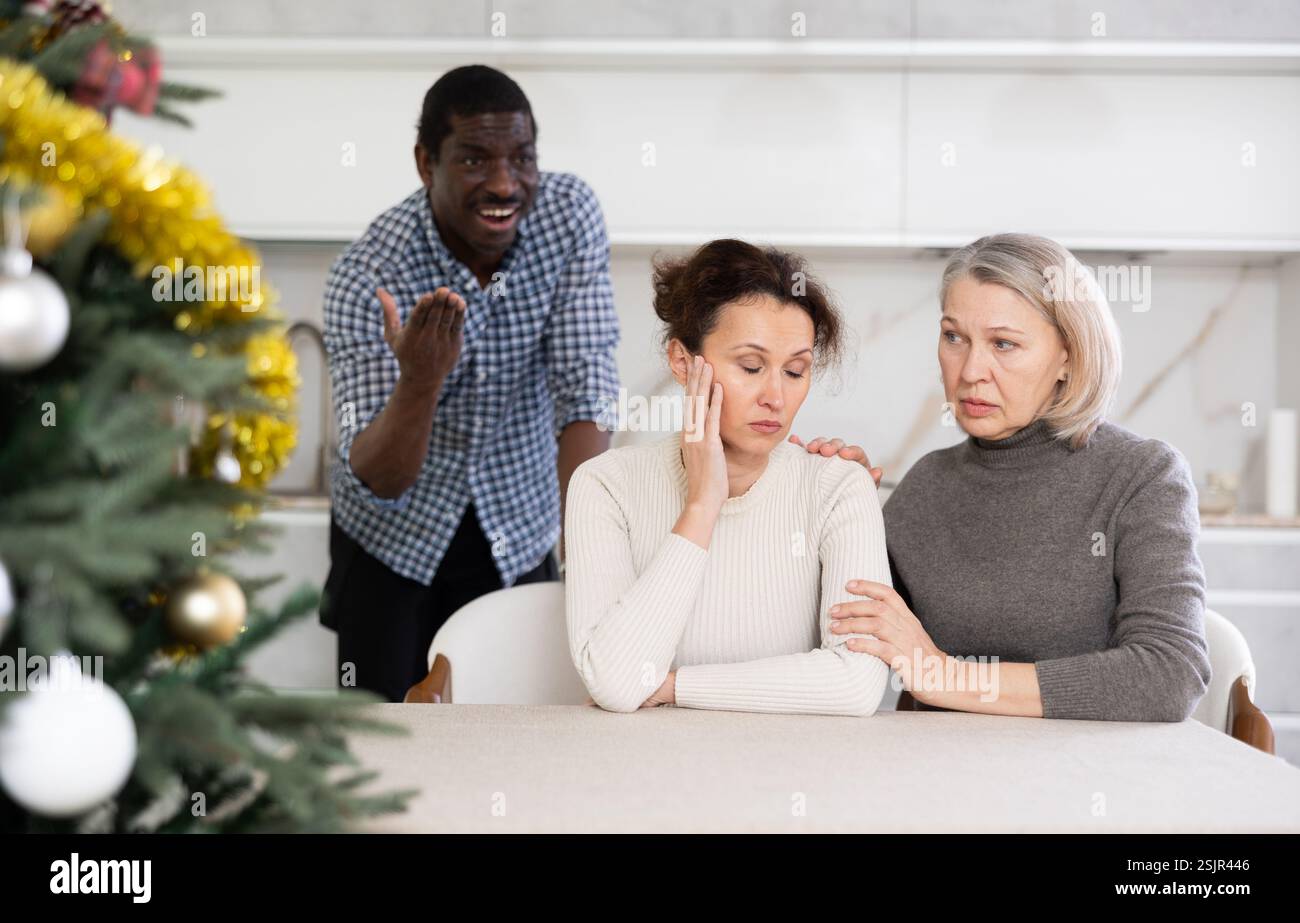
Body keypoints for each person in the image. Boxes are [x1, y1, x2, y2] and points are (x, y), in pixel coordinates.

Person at [791, 233, 1211, 721]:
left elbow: (1168, 675)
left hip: (1094, 781)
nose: (970, 371)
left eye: (1004, 344)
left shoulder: (1142, 476)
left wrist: (944, 675)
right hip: (944, 780)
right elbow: (837, 644)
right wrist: (835, 512)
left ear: (1068, 356)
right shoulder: (927, 487)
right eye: (954, 337)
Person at [321, 65, 619, 703]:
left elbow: (584, 383)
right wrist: (420, 382)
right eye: (475, 160)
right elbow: (381, 479)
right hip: (390, 549)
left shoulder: (567, 218)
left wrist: (593, 552)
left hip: (518, 526)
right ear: (426, 163)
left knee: (523, 732)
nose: (505, 184)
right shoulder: (368, 276)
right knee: (386, 746)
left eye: (522, 158)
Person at [565, 239, 891, 716]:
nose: (775, 397)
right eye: (751, 366)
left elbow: (857, 686)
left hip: (796, 775)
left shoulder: (839, 487)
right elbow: (616, 684)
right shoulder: (604, 486)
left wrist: (674, 688)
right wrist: (701, 506)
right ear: (682, 361)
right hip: (647, 776)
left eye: (796, 371)